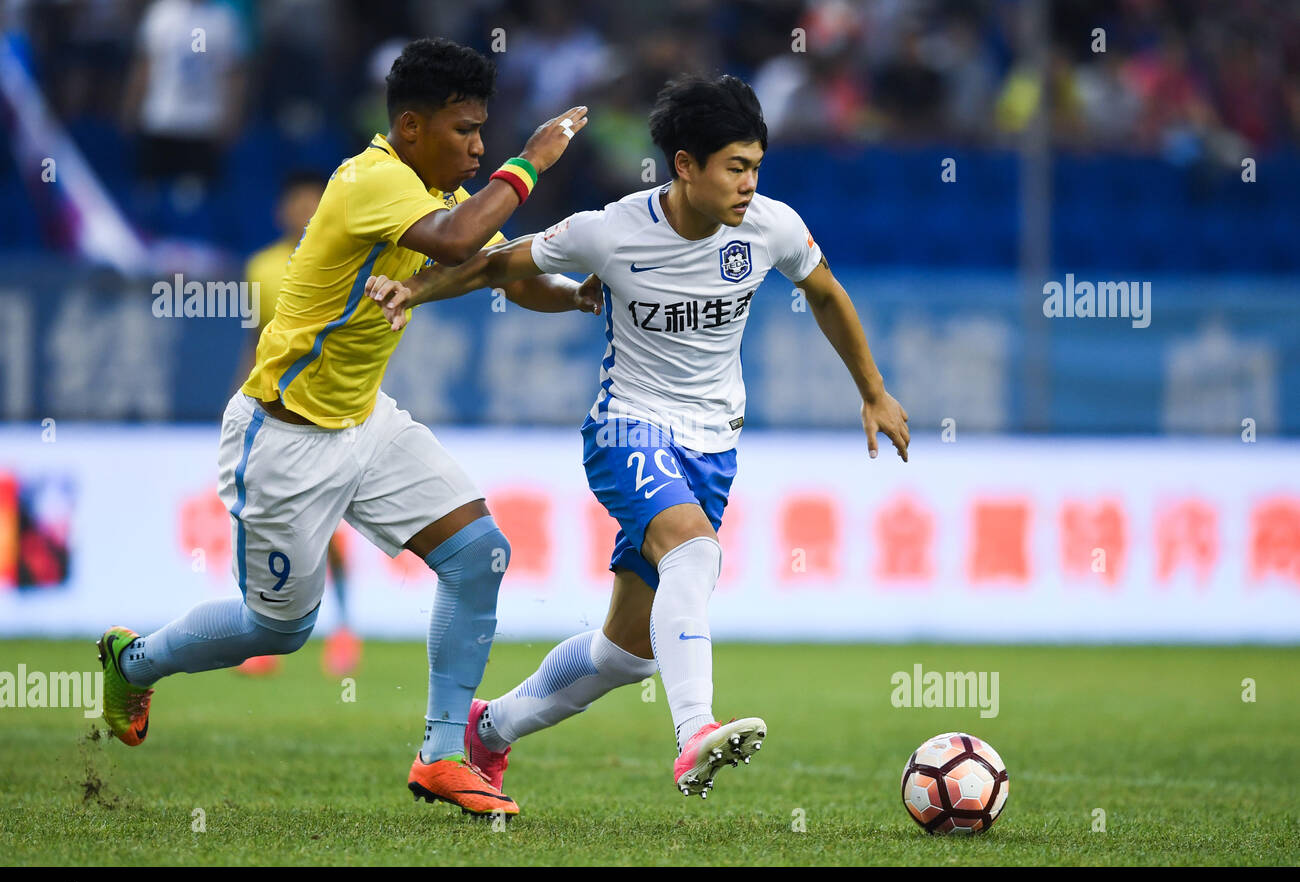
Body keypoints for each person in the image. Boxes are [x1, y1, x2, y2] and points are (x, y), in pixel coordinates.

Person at [364, 74, 910, 800]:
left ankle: (485, 731)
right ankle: (693, 737)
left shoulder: (770, 227)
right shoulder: (612, 230)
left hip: (712, 448)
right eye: (734, 167)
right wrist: (414, 288)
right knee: (694, 550)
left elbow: (826, 291)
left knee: (627, 656)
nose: (749, 184)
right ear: (685, 165)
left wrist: (873, 392)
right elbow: (496, 263)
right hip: (629, 428)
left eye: (755, 167)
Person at [96, 37, 599, 818]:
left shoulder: (429, 195)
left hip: (364, 422)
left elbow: (496, 264)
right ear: (409, 126)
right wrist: (531, 160)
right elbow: (464, 243)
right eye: (464, 130)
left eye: (483, 131)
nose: (477, 146)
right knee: (280, 627)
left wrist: (574, 293)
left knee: (479, 555)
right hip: (286, 439)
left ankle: (440, 756)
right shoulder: (374, 180)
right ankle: (135, 662)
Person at [236, 171, 361, 678]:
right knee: (264, 521)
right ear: (282, 210)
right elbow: (254, 338)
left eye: (314, 203)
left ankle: (344, 629)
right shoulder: (260, 267)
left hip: (327, 411)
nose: (305, 212)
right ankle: (261, 633)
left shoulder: (342, 260)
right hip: (270, 411)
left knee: (325, 528)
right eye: (297, 203)